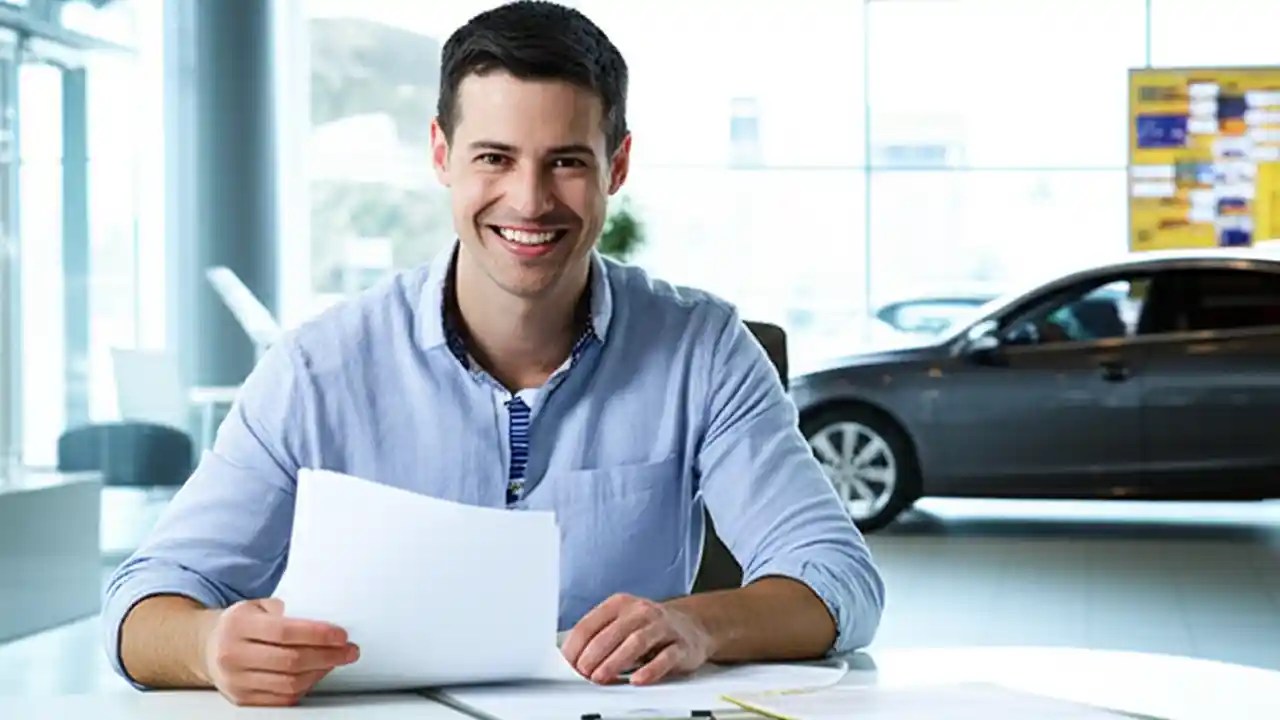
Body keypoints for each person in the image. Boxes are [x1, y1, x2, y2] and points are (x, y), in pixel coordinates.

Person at [103, 0, 884, 707]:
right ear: (442, 155)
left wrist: (698, 626)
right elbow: (143, 602)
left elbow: (838, 580)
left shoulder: (703, 350)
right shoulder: (314, 371)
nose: (530, 200)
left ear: (617, 166)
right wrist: (208, 645)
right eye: (494, 157)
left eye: (567, 161)